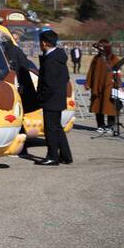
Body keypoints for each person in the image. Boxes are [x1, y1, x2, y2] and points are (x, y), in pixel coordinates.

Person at [35, 29, 72, 166]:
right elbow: (66, 77)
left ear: (44, 43)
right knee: (57, 127)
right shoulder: (59, 57)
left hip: (50, 99)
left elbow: (48, 84)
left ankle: (52, 156)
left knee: (51, 129)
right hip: (58, 97)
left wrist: (41, 98)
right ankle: (66, 155)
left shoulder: (50, 60)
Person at [86, 39, 119, 135]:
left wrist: (117, 85)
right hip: (97, 85)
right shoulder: (96, 58)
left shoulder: (113, 58)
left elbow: (118, 73)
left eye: (103, 46)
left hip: (109, 86)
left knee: (109, 106)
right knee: (98, 106)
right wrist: (88, 83)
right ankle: (100, 125)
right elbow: (91, 71)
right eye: (100, 46)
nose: (100, 48)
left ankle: (110, 126)